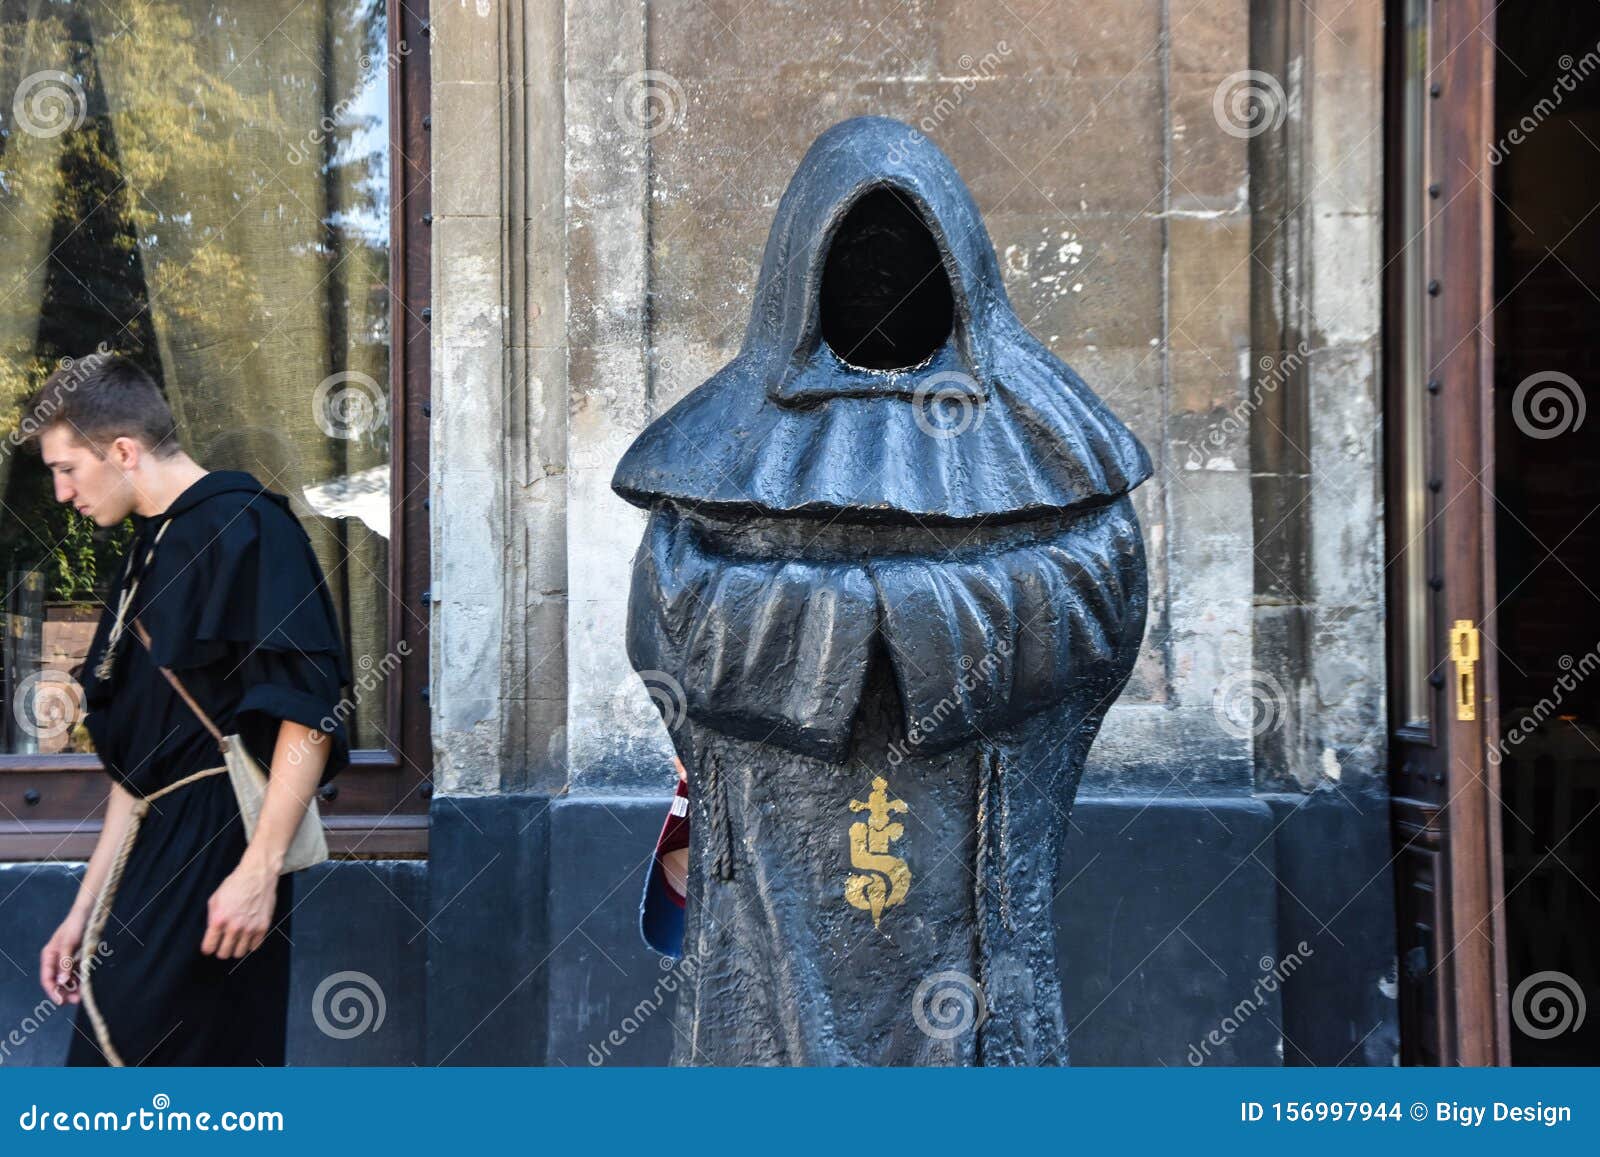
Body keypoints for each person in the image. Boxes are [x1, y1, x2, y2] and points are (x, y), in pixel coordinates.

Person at [25, 353, 352, 1066]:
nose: (59, 492)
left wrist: (259, 871)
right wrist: (84, 912)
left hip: (219, 848)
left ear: (121, 450)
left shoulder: (249, 528)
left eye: (66, 468)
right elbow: (137, 767)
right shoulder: (147, 547)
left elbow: (308, 712)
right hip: (147, 853)